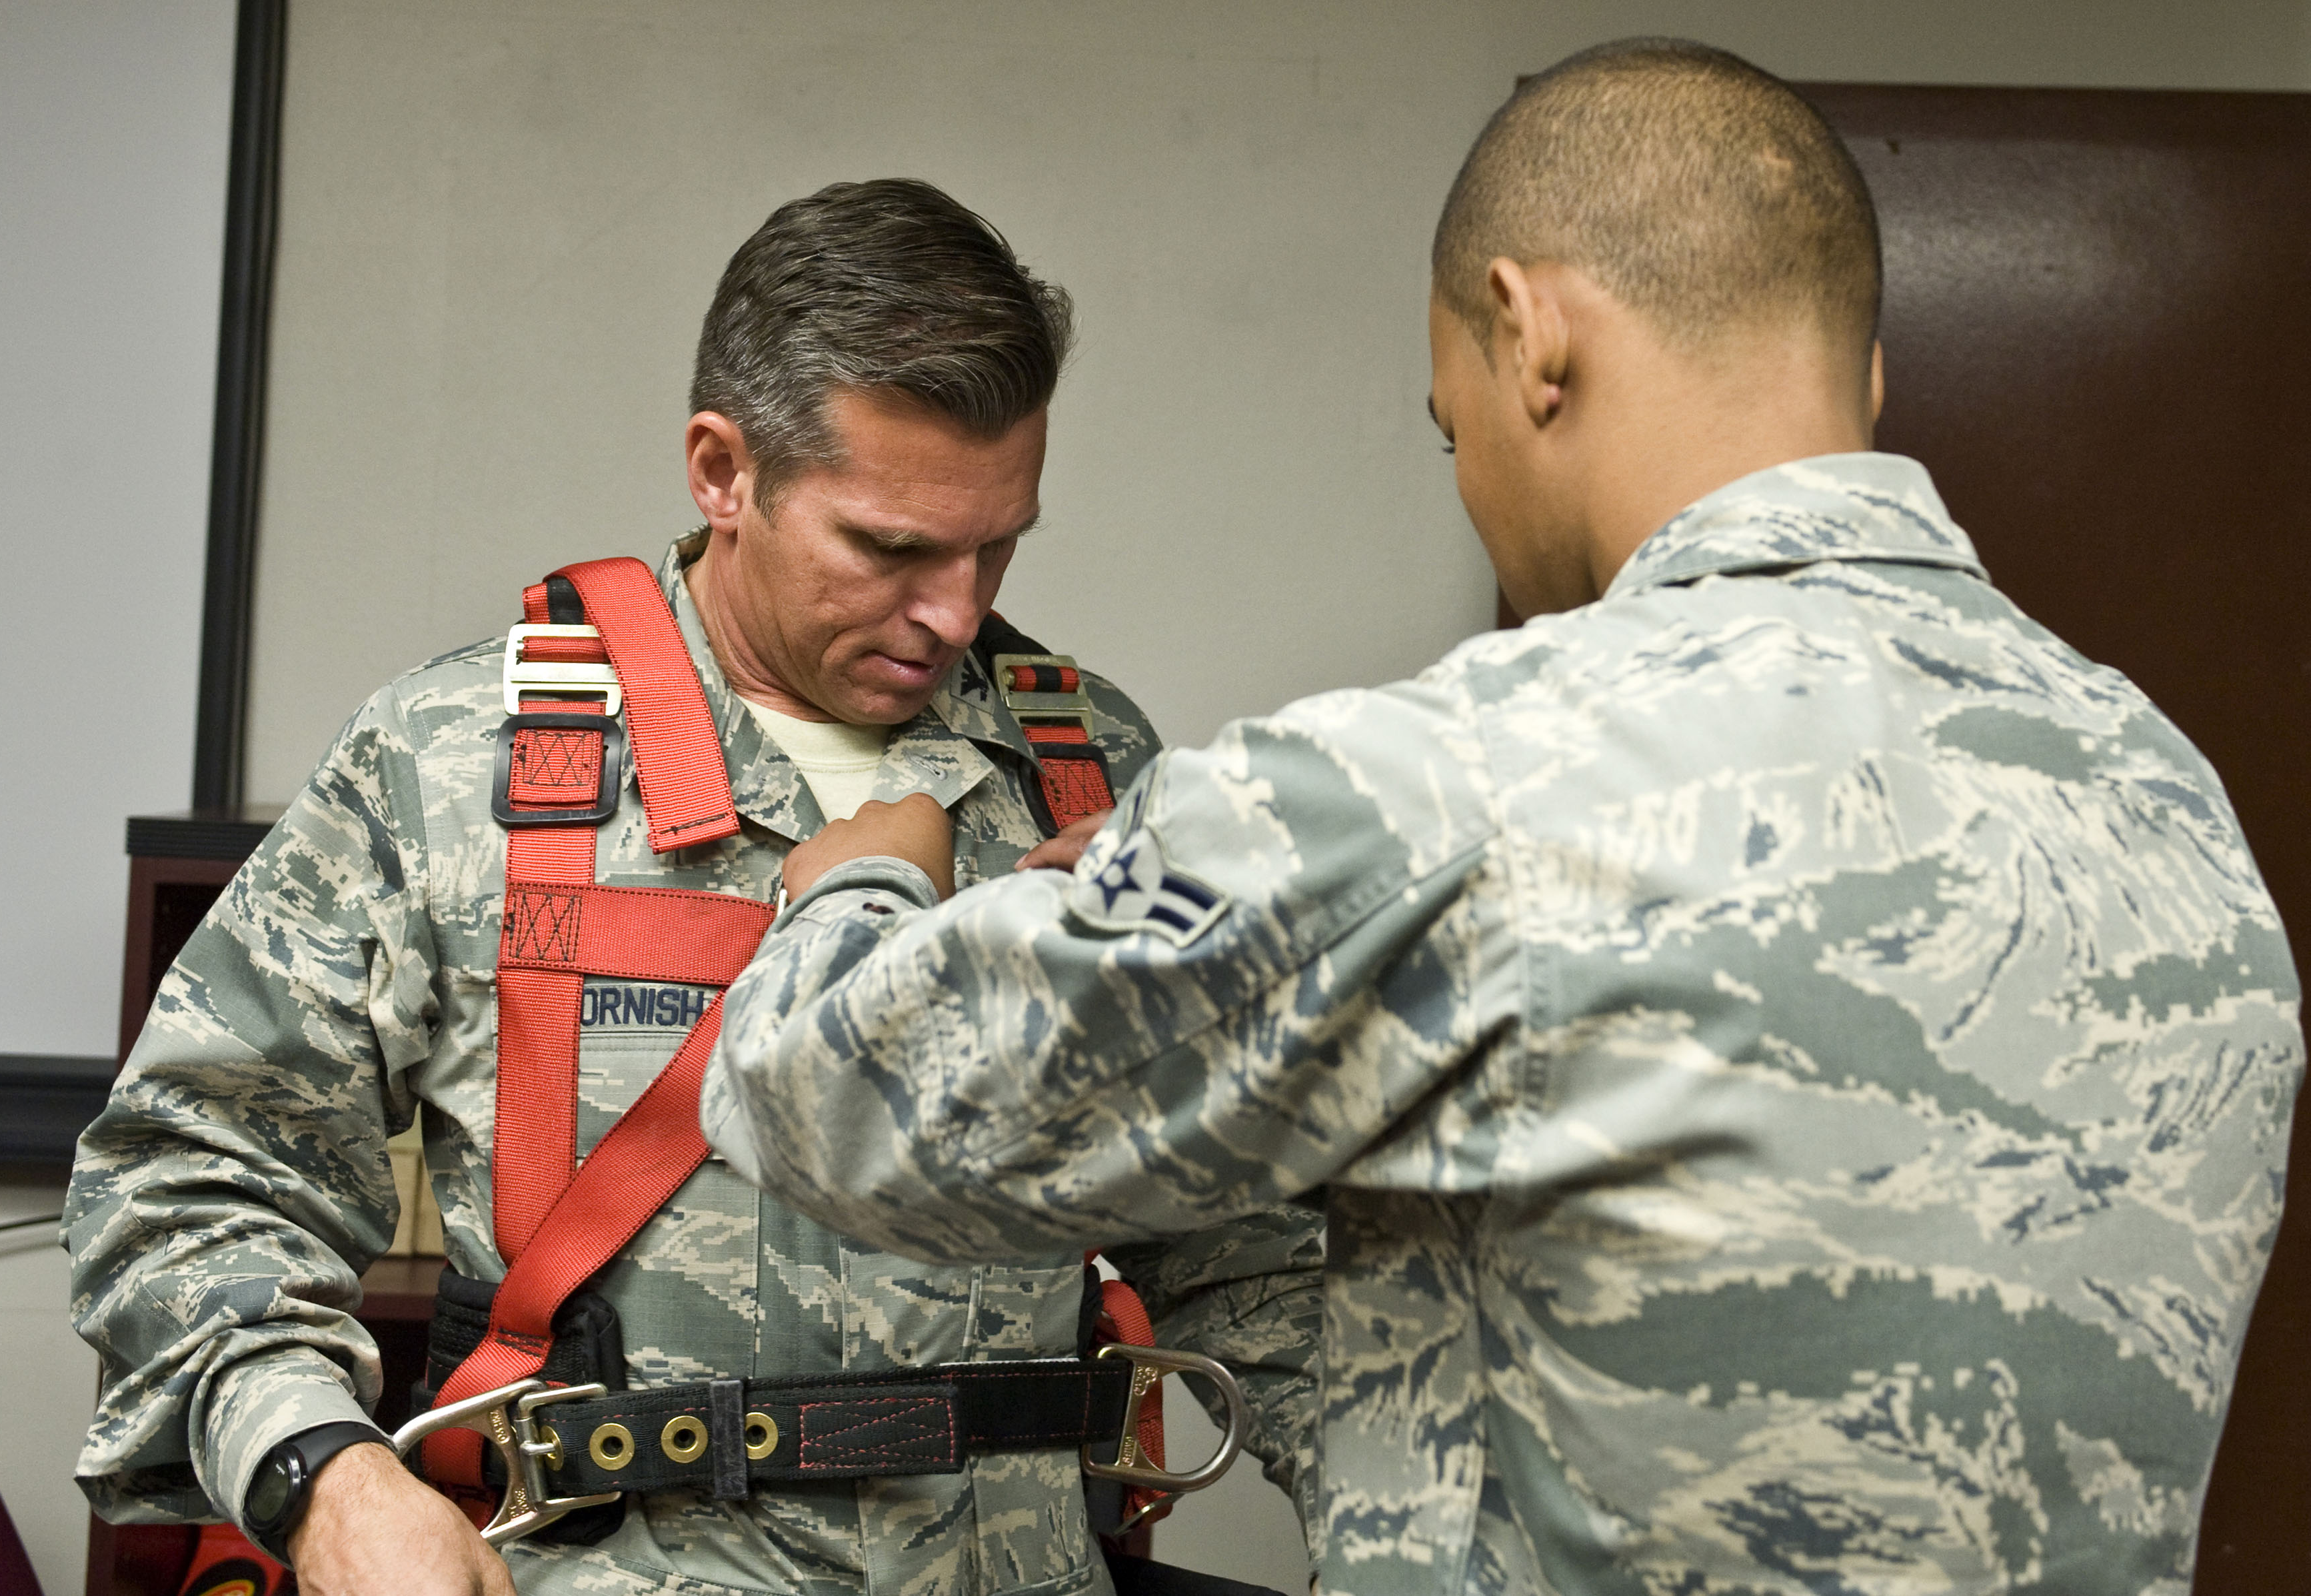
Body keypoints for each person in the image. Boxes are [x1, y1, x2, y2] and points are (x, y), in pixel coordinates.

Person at [702, 43, 2305, 1596]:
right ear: (1864, 376)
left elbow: (825, 1105)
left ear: (1528, 337)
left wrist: (861, 894)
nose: (1467, 477)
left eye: (1446, 425)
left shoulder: (1451, 786)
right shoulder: (2165, 795)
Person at [67, 179, 1322, 1596]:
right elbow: (192, 1172)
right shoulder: (458, 765)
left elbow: (1253, 1246)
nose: (958, 612)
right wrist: (325, 1477)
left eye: (1000, 543)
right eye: (892, 548)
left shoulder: (1083, 770)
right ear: (723, 472)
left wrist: (1405, 1519)